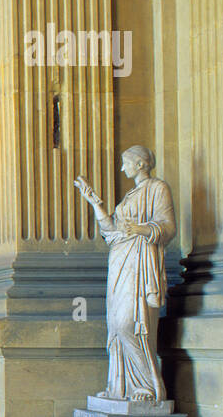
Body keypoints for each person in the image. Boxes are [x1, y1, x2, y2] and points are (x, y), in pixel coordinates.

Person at [74, 146, 176, 401]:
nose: (122, 168)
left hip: (141, 262)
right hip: (120, 262)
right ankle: (121, 387)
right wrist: (95, 204)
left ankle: (147, 387)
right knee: (116, 327)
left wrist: (140, 229)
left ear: (141, 164)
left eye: (125, 163)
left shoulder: (158, 188)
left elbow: (168, 228)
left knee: (129, 323)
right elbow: (112, 233)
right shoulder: (131, 195)